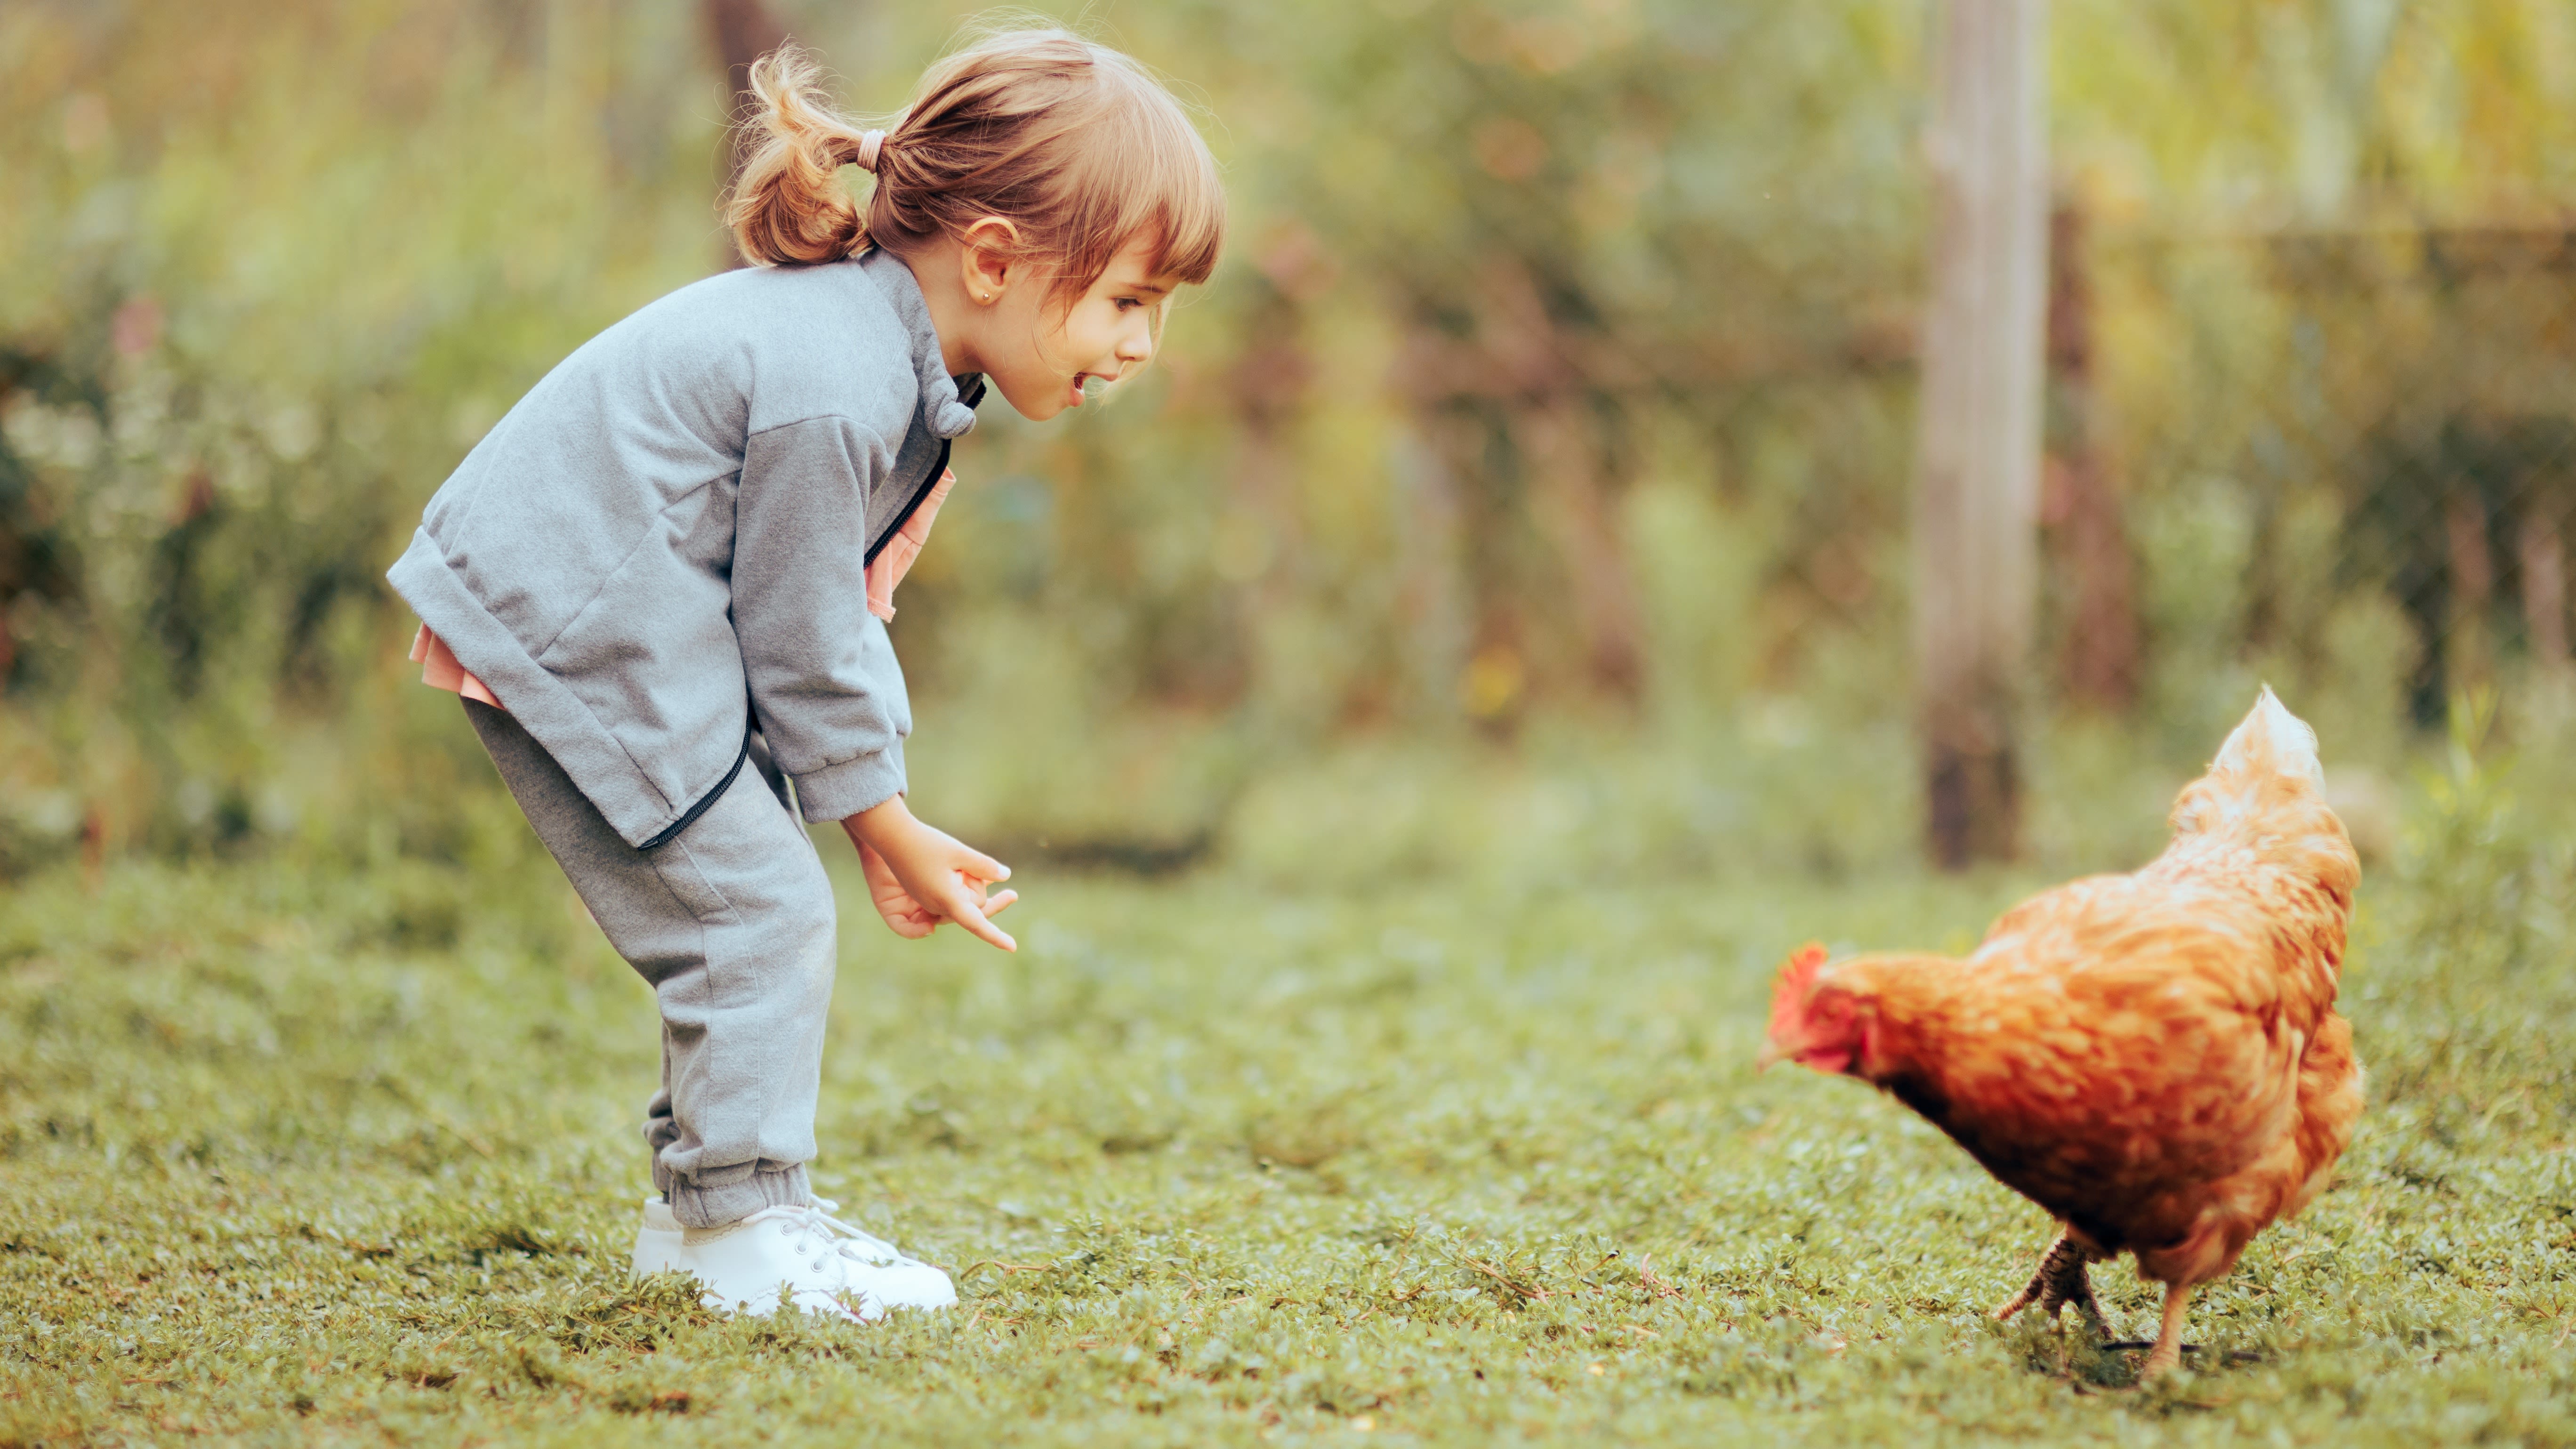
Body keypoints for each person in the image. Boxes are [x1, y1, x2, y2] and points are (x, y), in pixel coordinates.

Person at [384, 27, 1224, 1320]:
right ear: (994, 260)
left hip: (604, 607)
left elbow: (805, 616)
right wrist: (881, 824)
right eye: (1129, 300)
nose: (1144, 345)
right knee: (755, 913)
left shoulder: (879, 356)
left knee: (747, 902)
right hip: (574, 612)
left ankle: (708, 1221)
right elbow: (803, 633)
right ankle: (740, 1230)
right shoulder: (834, 381)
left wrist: (871, 814)